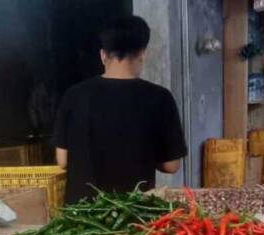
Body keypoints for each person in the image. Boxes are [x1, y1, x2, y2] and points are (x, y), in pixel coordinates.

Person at [54, 16, 186, 204]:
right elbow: (171, 165)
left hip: (81, 218)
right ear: (142, 54)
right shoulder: (160, 98)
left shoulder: (73, 96)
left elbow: (63, 160)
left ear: (103, 55)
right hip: (135, 215)